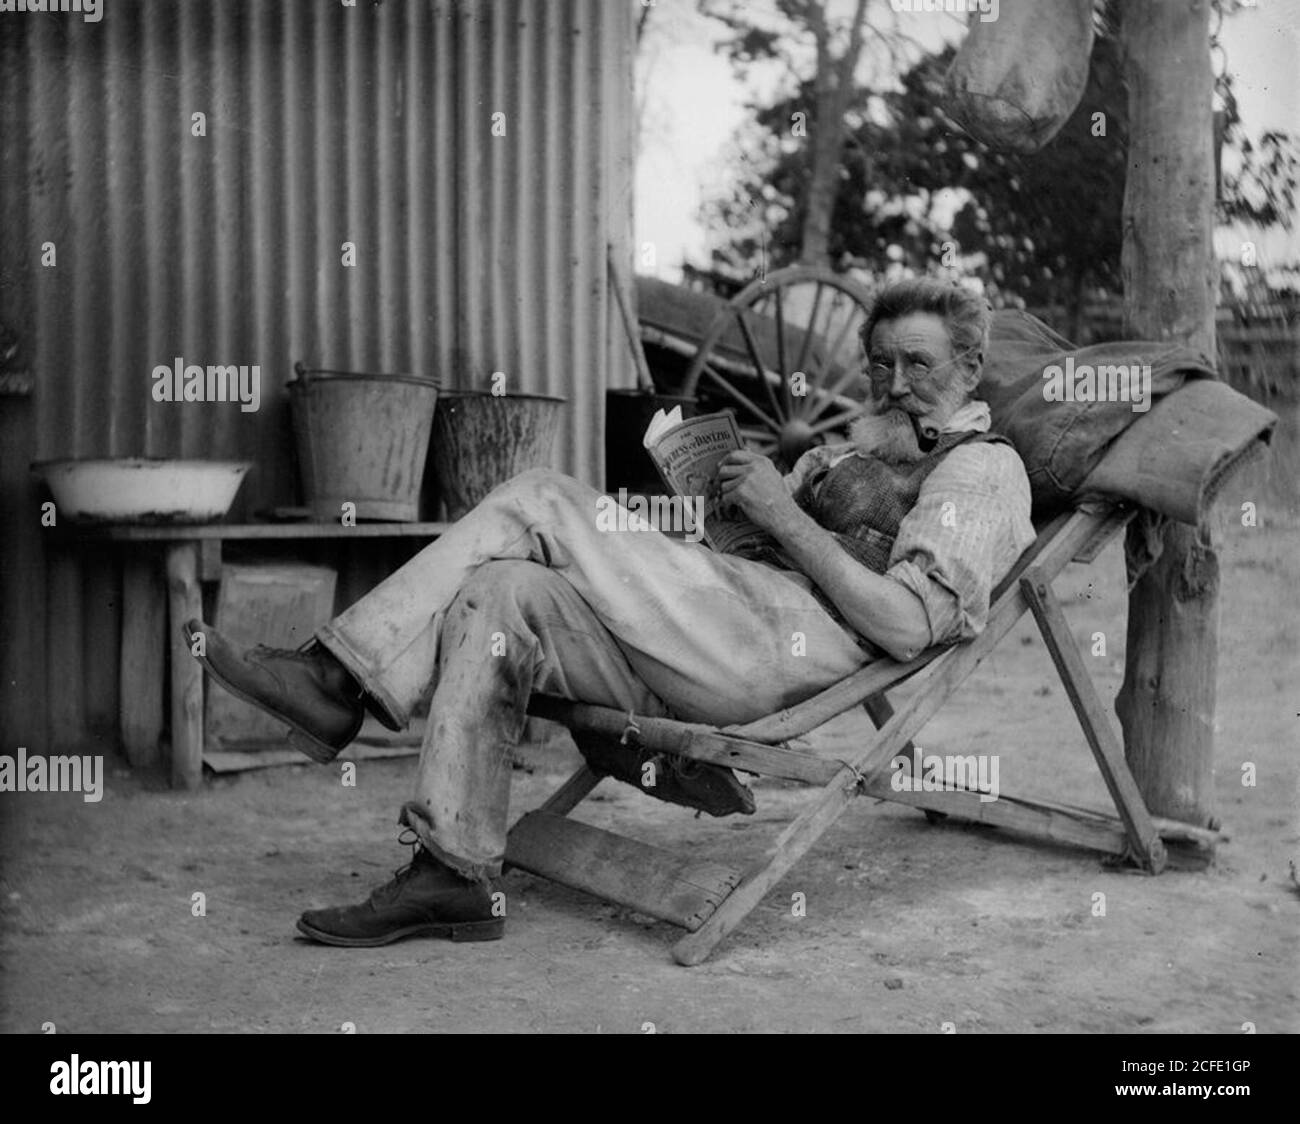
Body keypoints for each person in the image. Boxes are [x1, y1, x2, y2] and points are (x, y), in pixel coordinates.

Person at [188, 277, 1036, 948]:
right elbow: (751, 549)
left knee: (538, 497)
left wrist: (784, 515)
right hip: (710, 627)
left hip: (784, 645)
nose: (895, 385)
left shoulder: (981, 471)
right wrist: (733, 507)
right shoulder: (854, 448)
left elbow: (907, 625)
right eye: (881, 364)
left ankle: (334, 679)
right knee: (502, 593)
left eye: (918, 365)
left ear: (967, 368)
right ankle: (453, 872)